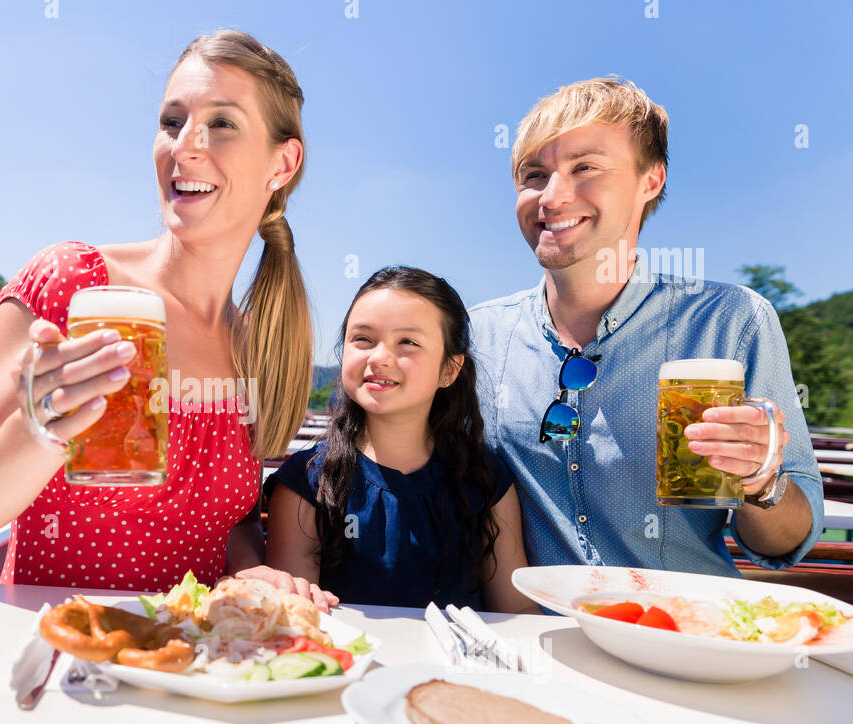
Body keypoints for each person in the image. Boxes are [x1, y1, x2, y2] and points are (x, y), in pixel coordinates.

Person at [0, 30, 324, 599]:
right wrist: (39, 425)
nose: (185, 146)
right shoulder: (74, 284)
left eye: (223, 123)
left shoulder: (256, 343)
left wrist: (246, 567)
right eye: (172, 122)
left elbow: (229, 520)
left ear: (283, 162)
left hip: (189, 669)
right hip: (69, 667)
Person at [469, 77, 823, 576]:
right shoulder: (477, 336)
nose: (552, 197)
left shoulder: (731, 320)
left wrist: (760, 481)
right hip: (530, 639)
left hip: (682, 636)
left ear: (650, 181)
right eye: (534, 175)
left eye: (585, 167)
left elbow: (786, 542)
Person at [264, 266, 536, 613]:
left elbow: (519, 613)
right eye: (362, 338)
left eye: (407, 342)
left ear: (449, 370)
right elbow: (296, 618)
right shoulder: (305, 484)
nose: (379, 358)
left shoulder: (485, 480)